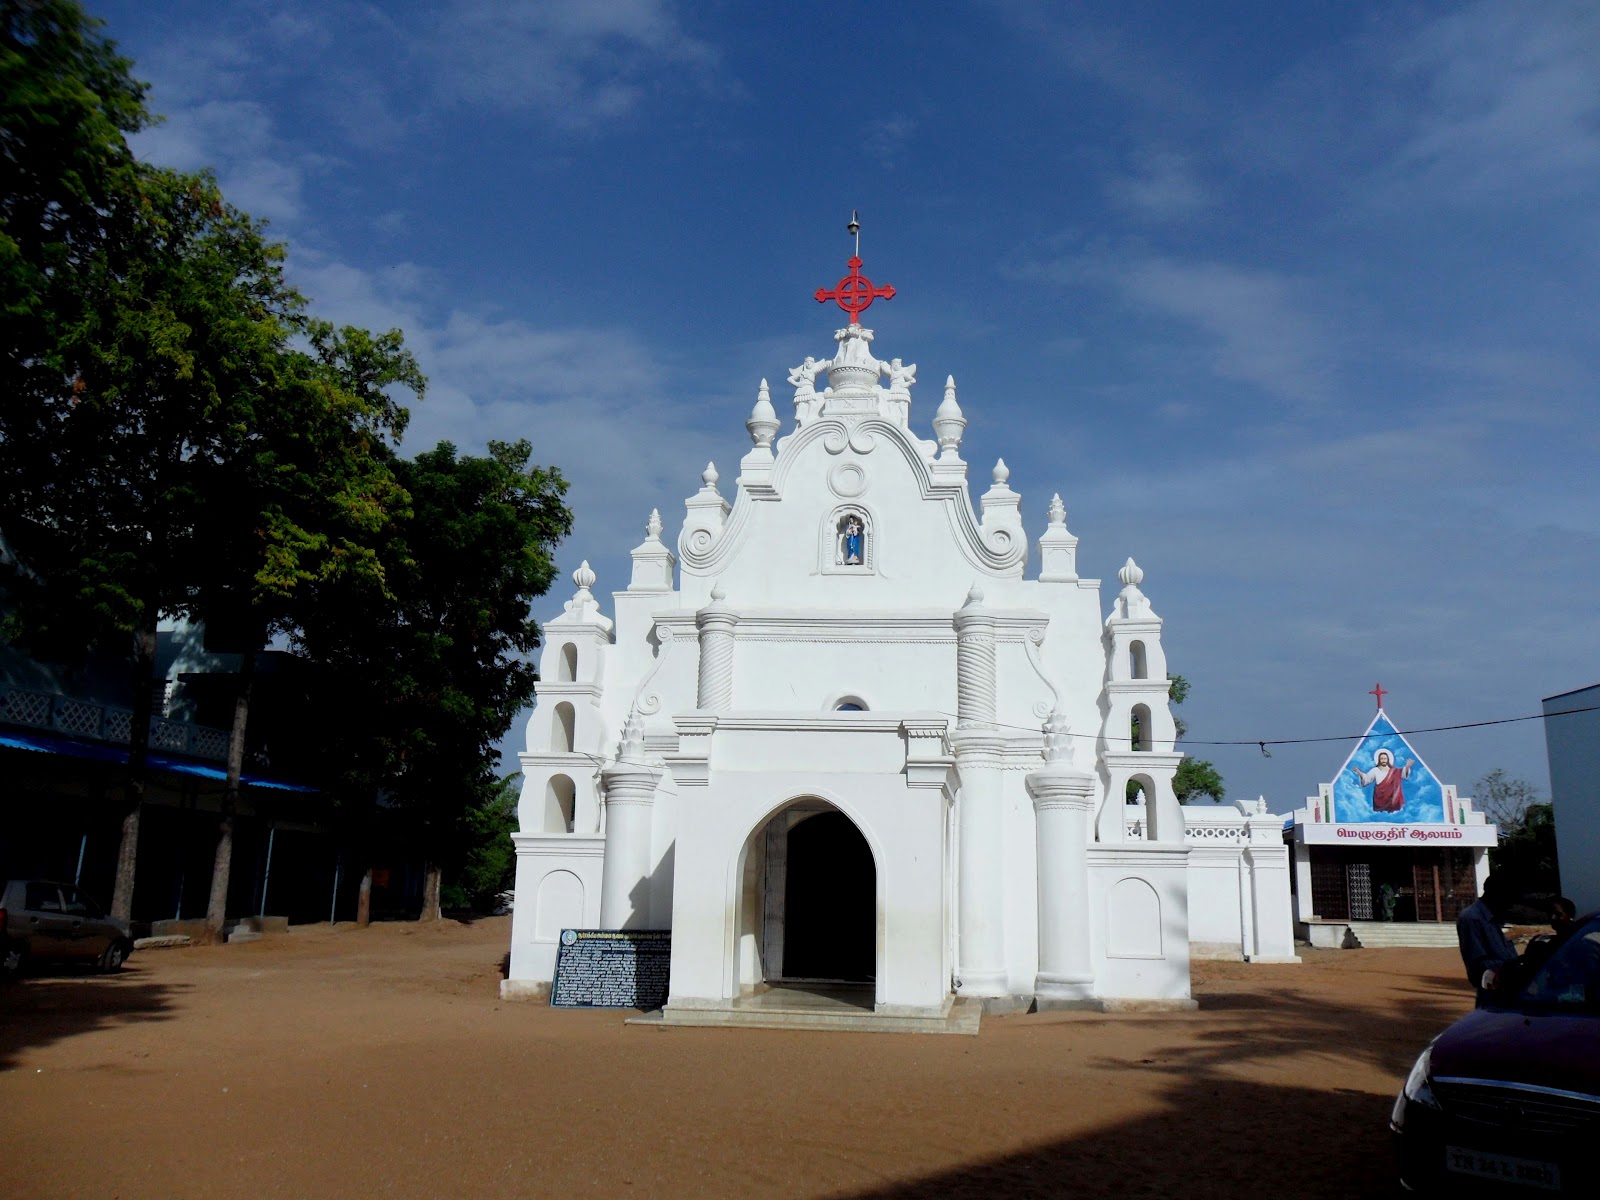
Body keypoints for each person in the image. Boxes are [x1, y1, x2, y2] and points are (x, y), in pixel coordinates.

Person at [1456, 874, 1519, 1007]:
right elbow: (1477, 963)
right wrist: (1509, 968)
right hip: (1492, 994)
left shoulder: (1494, 918)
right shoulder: (1471, 918)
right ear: (1496, 895)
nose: (1510, 903)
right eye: (1507, 896)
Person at [1349, 748, 1414, 813]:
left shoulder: (1394, 771)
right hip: (1379, 798)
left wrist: (1407, 767)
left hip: (1392, 799)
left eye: (1385, 758)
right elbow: (1367, 779)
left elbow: (1403, 774)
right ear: (1379, 760)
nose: (1383, 760)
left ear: (1388, 759)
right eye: (1381, 759)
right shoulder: (1375, 770)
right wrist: (1359, 772)